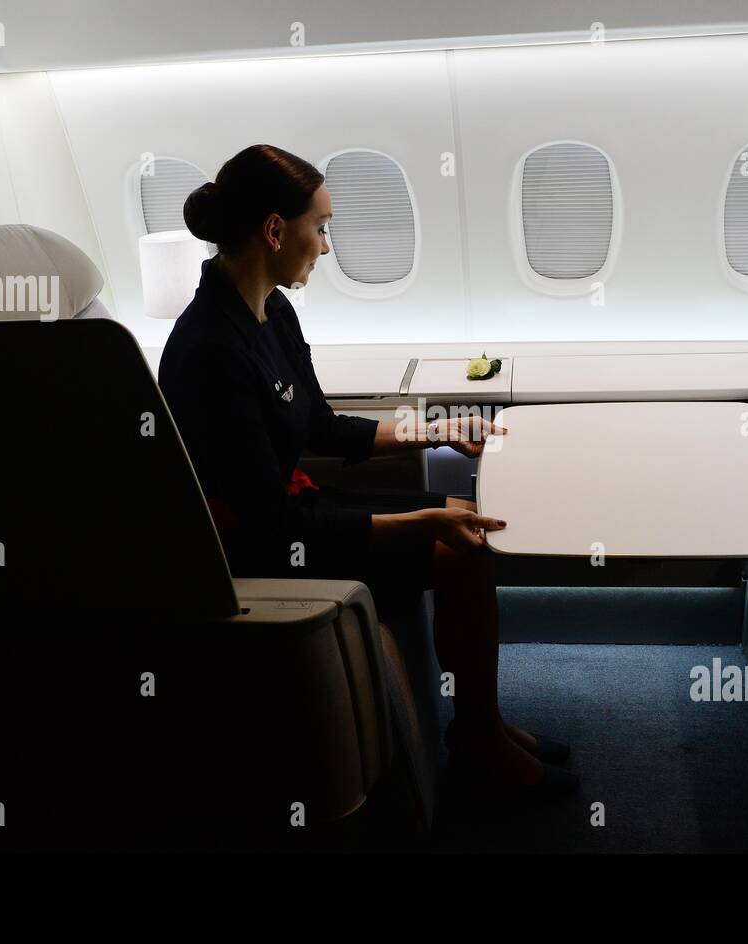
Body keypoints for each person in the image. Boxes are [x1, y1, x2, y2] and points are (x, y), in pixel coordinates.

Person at [158, 144, 576, 797]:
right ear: (274, 230)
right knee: (458, 541)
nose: (325, 247)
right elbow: (272, 521)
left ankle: (480, 722)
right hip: (251, 545)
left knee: (462, 530)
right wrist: (421, 518)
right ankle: (478, 744)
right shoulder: (211, 349)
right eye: (319, 227)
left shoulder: (271, 311)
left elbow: (320, 427)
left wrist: (432, 430)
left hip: (290, 510)